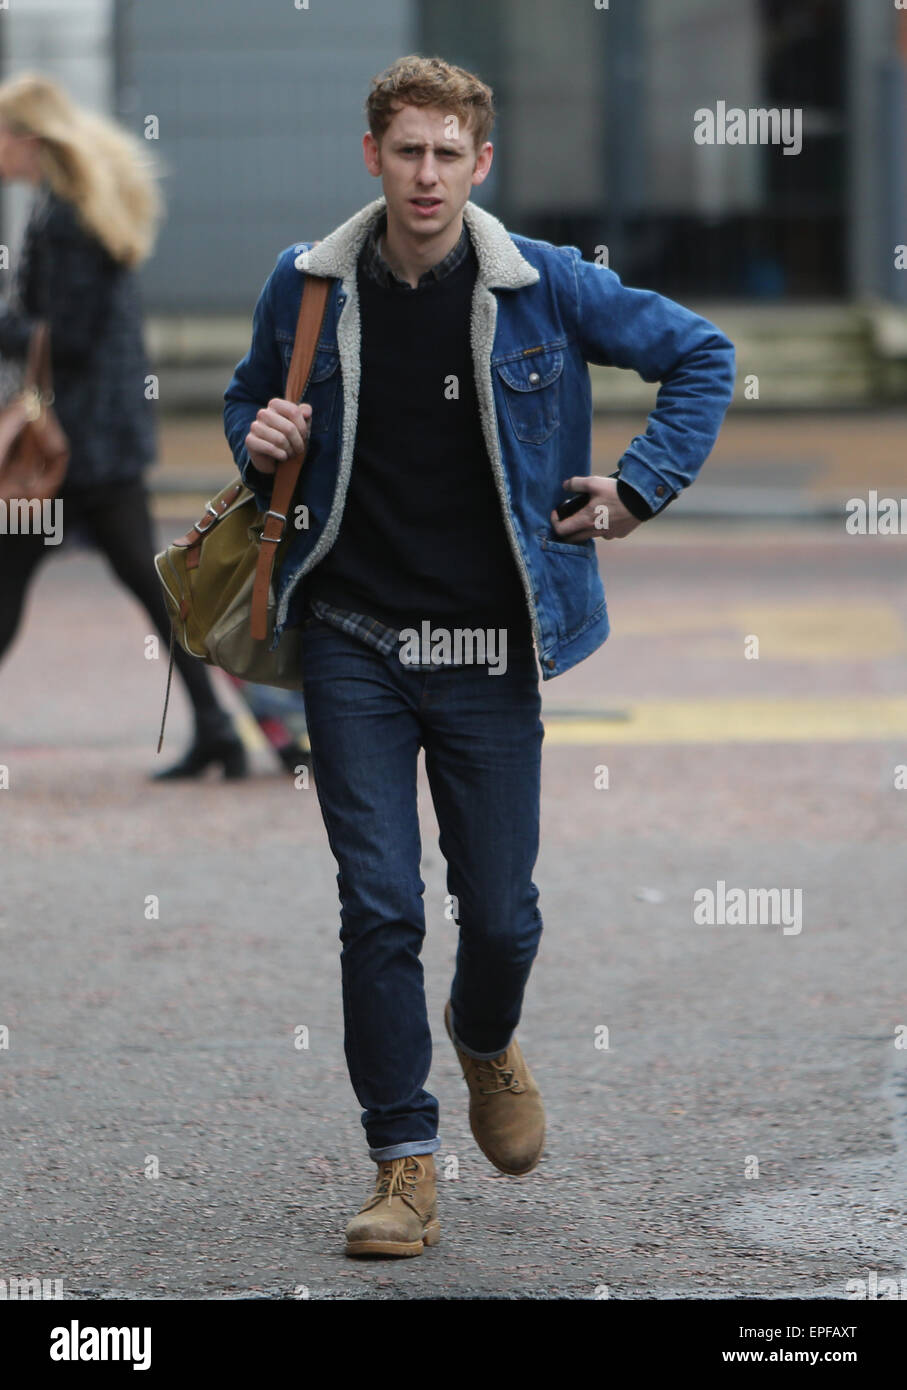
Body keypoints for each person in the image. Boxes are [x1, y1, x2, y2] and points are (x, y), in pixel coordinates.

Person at [224, 54, 736, 1257]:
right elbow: (253, 411)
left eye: (448, 154)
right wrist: (261, 437)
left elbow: (701, 353)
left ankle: (485, 1031)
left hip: (490, 645)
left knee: (500, 916)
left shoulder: (545, 287)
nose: (426, 174)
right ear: (372, 156)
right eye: (406, 150)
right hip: (354, 637)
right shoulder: (304, 288)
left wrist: (640, 490)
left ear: (480, 163)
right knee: (378, 903)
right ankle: (403, 1164)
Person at [0, 72, 247, 780]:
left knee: (13, 573)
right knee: (149, 583)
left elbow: (68, 340)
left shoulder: (66, 218)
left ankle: (221, 726)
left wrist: (3, 324)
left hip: (73, 444)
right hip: (96, 439)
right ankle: (217, 726)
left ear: (26, 138)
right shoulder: (73, 206)